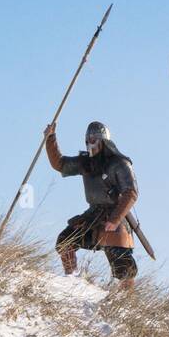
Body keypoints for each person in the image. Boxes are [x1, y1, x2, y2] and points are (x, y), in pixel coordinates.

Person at [44, 121, 138, 285]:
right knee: (65, 241)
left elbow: (130, 193)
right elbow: (60, 164)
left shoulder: (119, 163)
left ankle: (128, 301)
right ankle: (72, 281)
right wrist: (50, 138)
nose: (91, 142)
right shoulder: (86, 163)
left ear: (104, 141)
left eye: (94, 138)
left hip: (115, 216)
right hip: (93, 215)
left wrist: (115, 219)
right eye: (89, 138)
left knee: (122, 266)